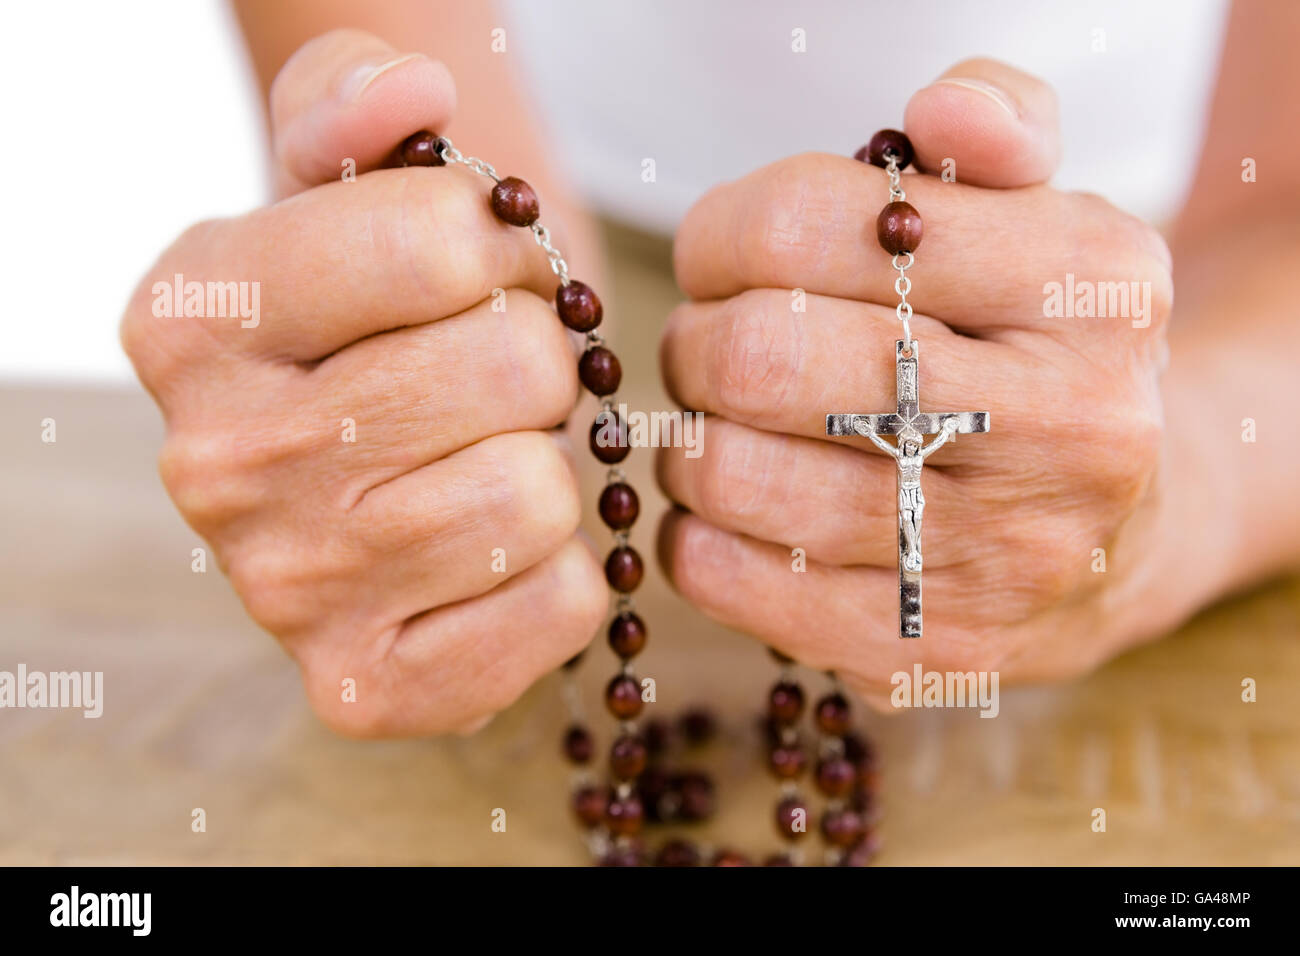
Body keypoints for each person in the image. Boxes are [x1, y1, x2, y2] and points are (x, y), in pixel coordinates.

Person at [120, 0, 1300, 733]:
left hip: (1123, 283)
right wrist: (447, 261)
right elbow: (388, 90)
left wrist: (1178, 491)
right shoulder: (528, 293)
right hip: (570, 216)